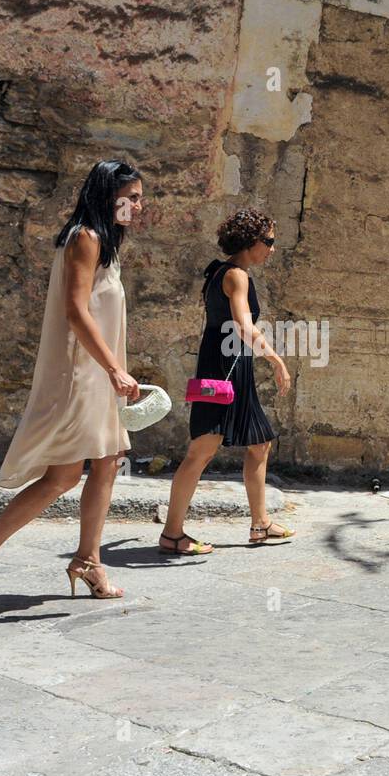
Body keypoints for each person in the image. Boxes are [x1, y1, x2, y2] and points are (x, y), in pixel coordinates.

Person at [0, 160, 143, 600]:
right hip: (82, 374)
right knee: (63, 477)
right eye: (134, 198)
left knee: (108, 459)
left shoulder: (105, 242)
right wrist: (113, 369)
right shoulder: (85, 238)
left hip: (97, 373)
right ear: (111, 198)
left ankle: (88, 560)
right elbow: (75, 311)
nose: (140, 206)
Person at [159, 208, 295, 554]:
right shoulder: (236, 275)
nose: (273, 249)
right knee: (201, 451)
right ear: (251, 243)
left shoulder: (221, 271)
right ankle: (172, 534)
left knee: (260, 442)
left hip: (230, 368)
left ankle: (260, 523)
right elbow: (242, 326)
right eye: (269, 242)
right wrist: (276, 358)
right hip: (224, 371)